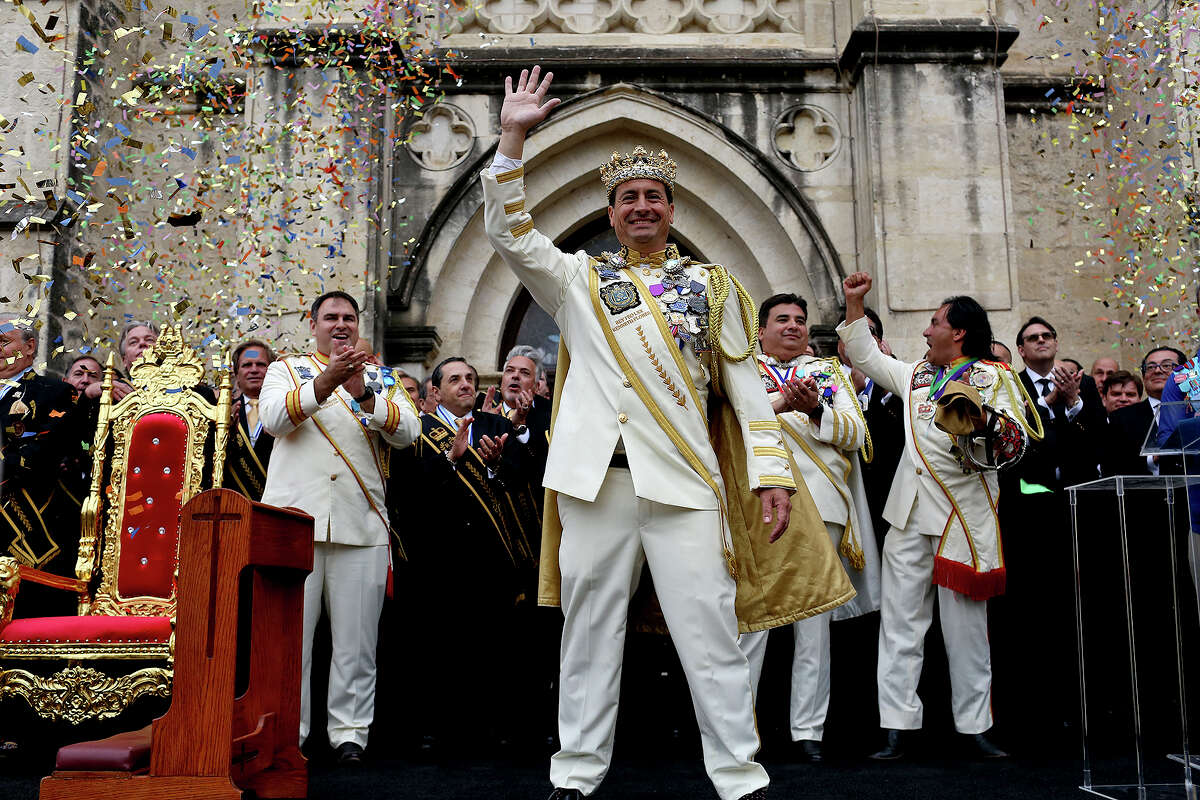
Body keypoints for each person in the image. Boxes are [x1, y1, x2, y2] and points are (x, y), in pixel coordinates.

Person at [483, 66, 806, 800]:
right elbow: (506, 232)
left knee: (710, 631)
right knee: (589, 632)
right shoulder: (578, 281)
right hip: (599, 477)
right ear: (611, 211)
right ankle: (577, 770)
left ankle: (737, 772)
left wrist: (772, 473)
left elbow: (746, 390)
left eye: (653, 196)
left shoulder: (714, 285)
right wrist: (512, 136)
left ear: (671, 207)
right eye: (628, 197)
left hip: (686, 478)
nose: (641, 206)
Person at [837, 272, 1031, 761]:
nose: (926, 331)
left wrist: (982, 423)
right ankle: (897, 725)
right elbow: (865, 356)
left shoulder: (994, 376)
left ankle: (975, 725)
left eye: (934, 322)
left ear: (958, 331)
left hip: (959, 519)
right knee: (900, 624)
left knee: (966, 628)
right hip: (907, 516)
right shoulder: (916, 376)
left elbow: (1016, 445)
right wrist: (854, 304)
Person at [259, 290, 420, 765]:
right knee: (291, 644)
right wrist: (324, 383)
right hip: (295, 526)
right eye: (331, 317)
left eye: (349, 317)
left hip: (360, 523)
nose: (341, 324)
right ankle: (291, 732)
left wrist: (363, 394)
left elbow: (408, 433)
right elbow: (272, 421)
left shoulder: (381, 377)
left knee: (356, 643)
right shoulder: (283, 371)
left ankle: (350, 734)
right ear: (314, 324)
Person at [738, 293, 881, 762]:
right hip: (758, 502)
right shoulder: (741, 371)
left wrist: (817, 411)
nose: (794, 327)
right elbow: (730, 426)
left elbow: (858, 434)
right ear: (761, 331)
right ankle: (739, 733)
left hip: (822, 504)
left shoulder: (829, 372)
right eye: (782, 319)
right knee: (752, 623)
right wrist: (782, 403)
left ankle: (808, 732)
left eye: (800, 320)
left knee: (814, 630)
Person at [0, 314, 83, 617]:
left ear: (30, 346)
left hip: (30, 530)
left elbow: (38, 454)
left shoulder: (53, 391)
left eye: (4, 342)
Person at [225, 339, 276, 501]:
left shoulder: (285, 410)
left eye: (261, 364)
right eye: (247, 365)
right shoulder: (223, 412)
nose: (254, 370)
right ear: (236, 373)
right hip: (232, 504)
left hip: (275, 505)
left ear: (273, 370)